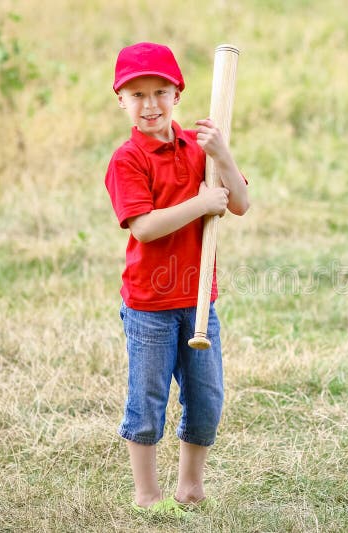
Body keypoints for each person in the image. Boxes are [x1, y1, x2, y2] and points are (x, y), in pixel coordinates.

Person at [104, 42, 249, 517]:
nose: (150, 105)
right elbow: (144, 227)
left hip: (199, 298)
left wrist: (223, 155)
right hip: (149, 304)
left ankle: (190, 488)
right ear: (121, 100)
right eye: (138, 94)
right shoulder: (127, 160)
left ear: (177, 94)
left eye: (160, 92)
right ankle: (147, 495)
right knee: (147, 401)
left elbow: (240, 202)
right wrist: (201, 204)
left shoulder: (199, 149)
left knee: (206, 400)